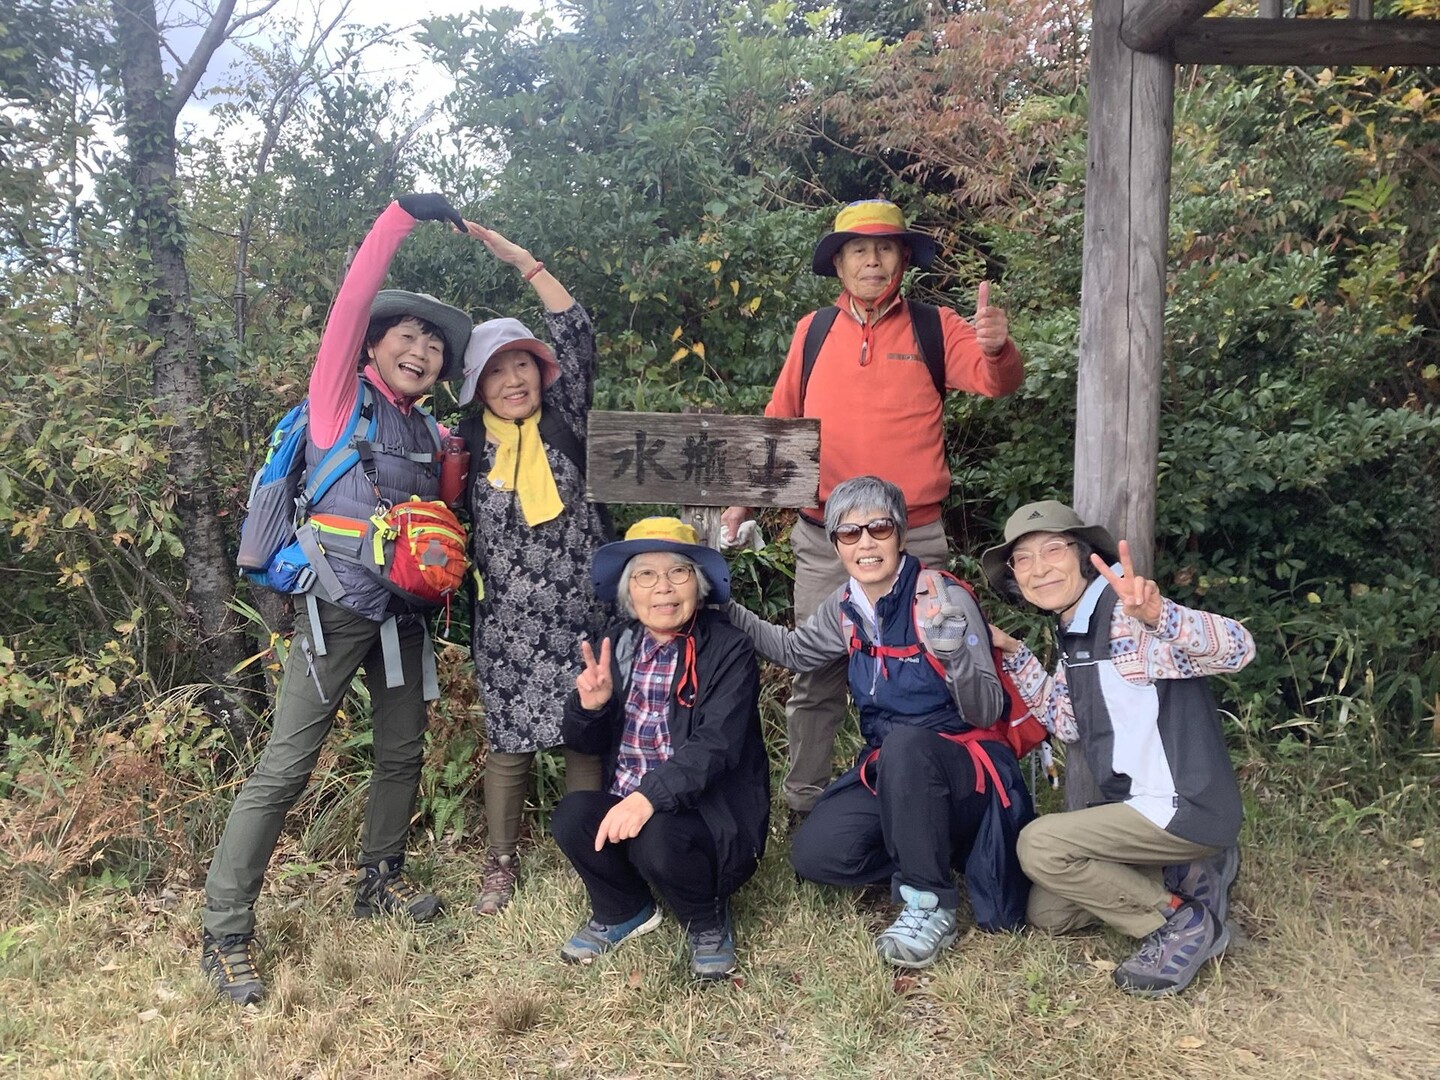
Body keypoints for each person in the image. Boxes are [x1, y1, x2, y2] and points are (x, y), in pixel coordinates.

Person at [203, 194, 478, 1005]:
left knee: (401, 754)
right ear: (372, 344)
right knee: (285, 766)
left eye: (434, 344)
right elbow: (352, 296)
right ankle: (223, 932)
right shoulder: (335, 399)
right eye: (408, 336)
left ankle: (380, 881)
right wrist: (399, 217)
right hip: (335, 607)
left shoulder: (430, 434)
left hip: (407, 617)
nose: (422, 351)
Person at [721, 199, 1025, 821]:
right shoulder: (813, 333)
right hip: (824, 536)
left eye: (886, 247)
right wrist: (743, 499)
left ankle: (934, 795)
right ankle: (807, 804)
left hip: (916, 536)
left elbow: (996, 383)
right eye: (858, 249)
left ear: (904, 258)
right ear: (837, 263)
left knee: (933, 671)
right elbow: (780, 424)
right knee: (817, 671)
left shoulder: (935, 327)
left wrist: (997, 349)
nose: (873, 259)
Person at [726, 477, 1034, 969]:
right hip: (894, 768)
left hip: (965, 766)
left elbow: (986, 711)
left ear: (902, 535)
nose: (865, 542)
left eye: (879, 528)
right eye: (849, 533)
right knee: (818, 856)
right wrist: (722, 606)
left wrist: (954, 657)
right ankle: (936, 848)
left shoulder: (941, 599)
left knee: (909, 747)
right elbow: (793, 651)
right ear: (835, 545)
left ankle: (929, 902)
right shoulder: (846, 607)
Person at [980, 500, 1255, 997]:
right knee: (1050, 913)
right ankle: (1191, 869)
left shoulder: (1127, 622)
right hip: (1138, 811)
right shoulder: (1075, 634)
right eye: (1023, 560)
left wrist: (1160, 615)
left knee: (1039, 844)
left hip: (1185, 807)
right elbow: (1065, 722)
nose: (1039, 568)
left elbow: (1238, 649)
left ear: (1084, 556)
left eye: (1053, 550)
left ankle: (1181, 923)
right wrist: (1016, 654)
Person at [452, 226, 610, 916]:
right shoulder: (460, 446)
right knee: (509, 743)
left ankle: (586, 852)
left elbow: (575, 330)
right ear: (477, 384)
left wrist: (524, 262)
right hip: (508, 621)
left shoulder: (566, 415)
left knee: (584, 729)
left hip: (584, 612)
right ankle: (499, 864)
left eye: (522, 365)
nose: (512, 379)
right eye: (495, 369)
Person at [552, 518, 769, 980]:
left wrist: (648, 799)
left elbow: (718, 746)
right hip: (632, 802)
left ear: (700, 585)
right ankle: (624, 908)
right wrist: (591, 708)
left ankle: (706, 918)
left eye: (678, 572)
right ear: (630, 591)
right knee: (572, 815)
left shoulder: (728, 648)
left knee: (659, 837)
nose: (663, 589)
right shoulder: (622, 645)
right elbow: (585, 744)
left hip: (703, 815)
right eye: (645, 575)